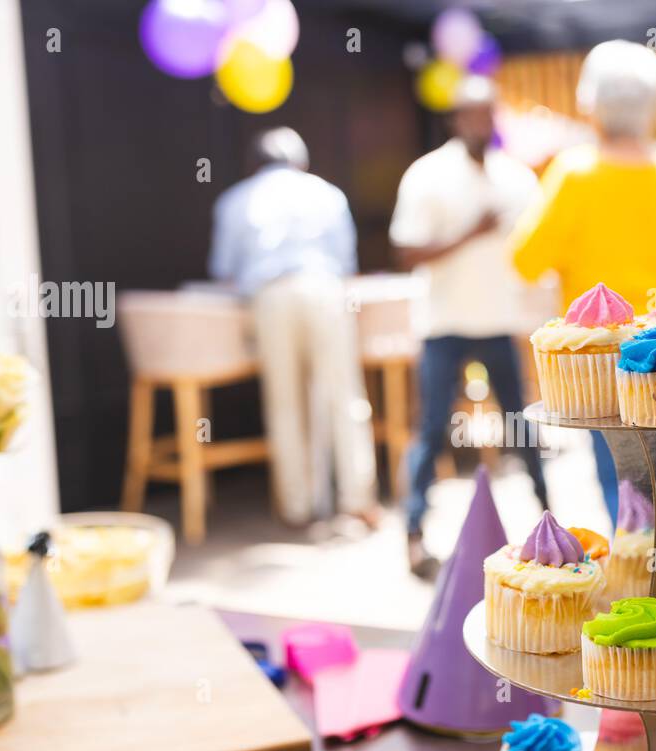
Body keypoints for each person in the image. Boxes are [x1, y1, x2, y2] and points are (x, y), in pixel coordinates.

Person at [509, 40, 656, 525]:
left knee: (623, 491)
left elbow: (525, 259)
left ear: (591, 100)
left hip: (606, 363)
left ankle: (639, 587)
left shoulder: (574, 173)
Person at [390, 77, 549, 579]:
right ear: (455, 119)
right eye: (471, 114)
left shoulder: (518, 178)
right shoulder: (426, 174)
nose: (481, 123)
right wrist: (468, 234)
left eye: (488, 114)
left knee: (522, 427)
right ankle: (415, 536)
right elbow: (407, 251)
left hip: (499, 320)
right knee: (433, 428)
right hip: (444, 323)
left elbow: (537, 251)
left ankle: (552, 524)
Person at [209, 127, 377, 527]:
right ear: (300, 161)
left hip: (268, 298)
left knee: (283, 401)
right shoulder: (326, 193)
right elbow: (347, 264)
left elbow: (224, 273)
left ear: (254, 164)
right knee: (344, 395)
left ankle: (296, 507)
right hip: (324, 289)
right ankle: (357, 499)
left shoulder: (235, 200)